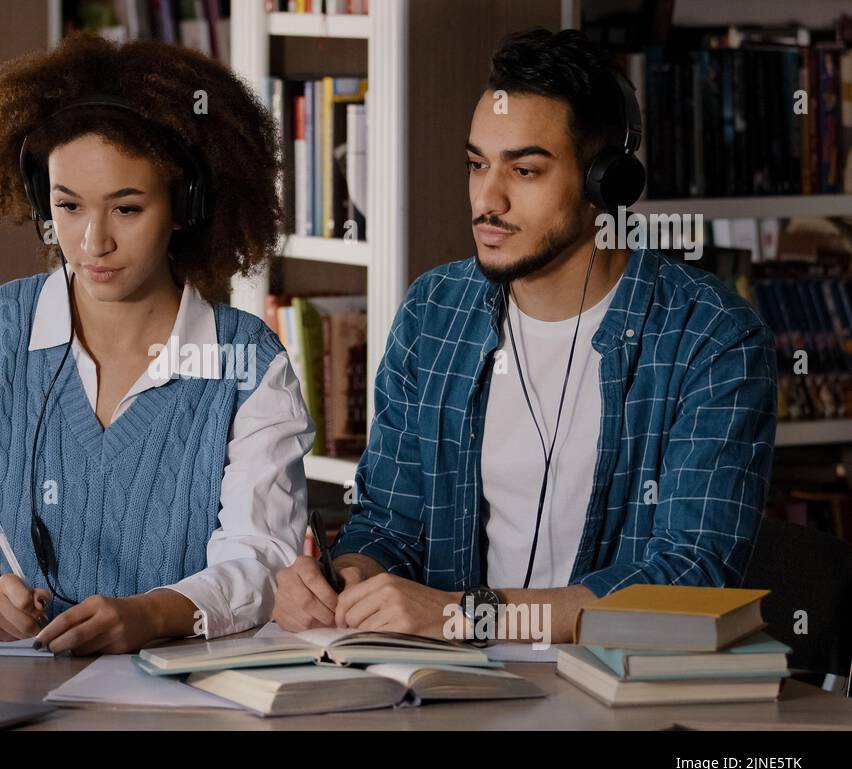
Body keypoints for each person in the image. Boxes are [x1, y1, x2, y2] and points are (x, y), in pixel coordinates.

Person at [273, 28, 777, 644]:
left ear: (605, 185)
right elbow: (391, 523)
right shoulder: (436, 309)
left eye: (526, 170)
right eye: (477, 164)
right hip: (446, 687)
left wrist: (467, 615)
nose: (487, 199)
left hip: (613, 691)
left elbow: (691, 576)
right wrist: (346, 578)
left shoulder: (711, 336)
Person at [0, 32, 314, 655]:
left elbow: (257, 562)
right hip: (4, 684)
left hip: (185, 695)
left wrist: (149, 616)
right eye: (68, 206)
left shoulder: (247, 364)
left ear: (185, 206)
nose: (92, 244)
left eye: (127, 208)